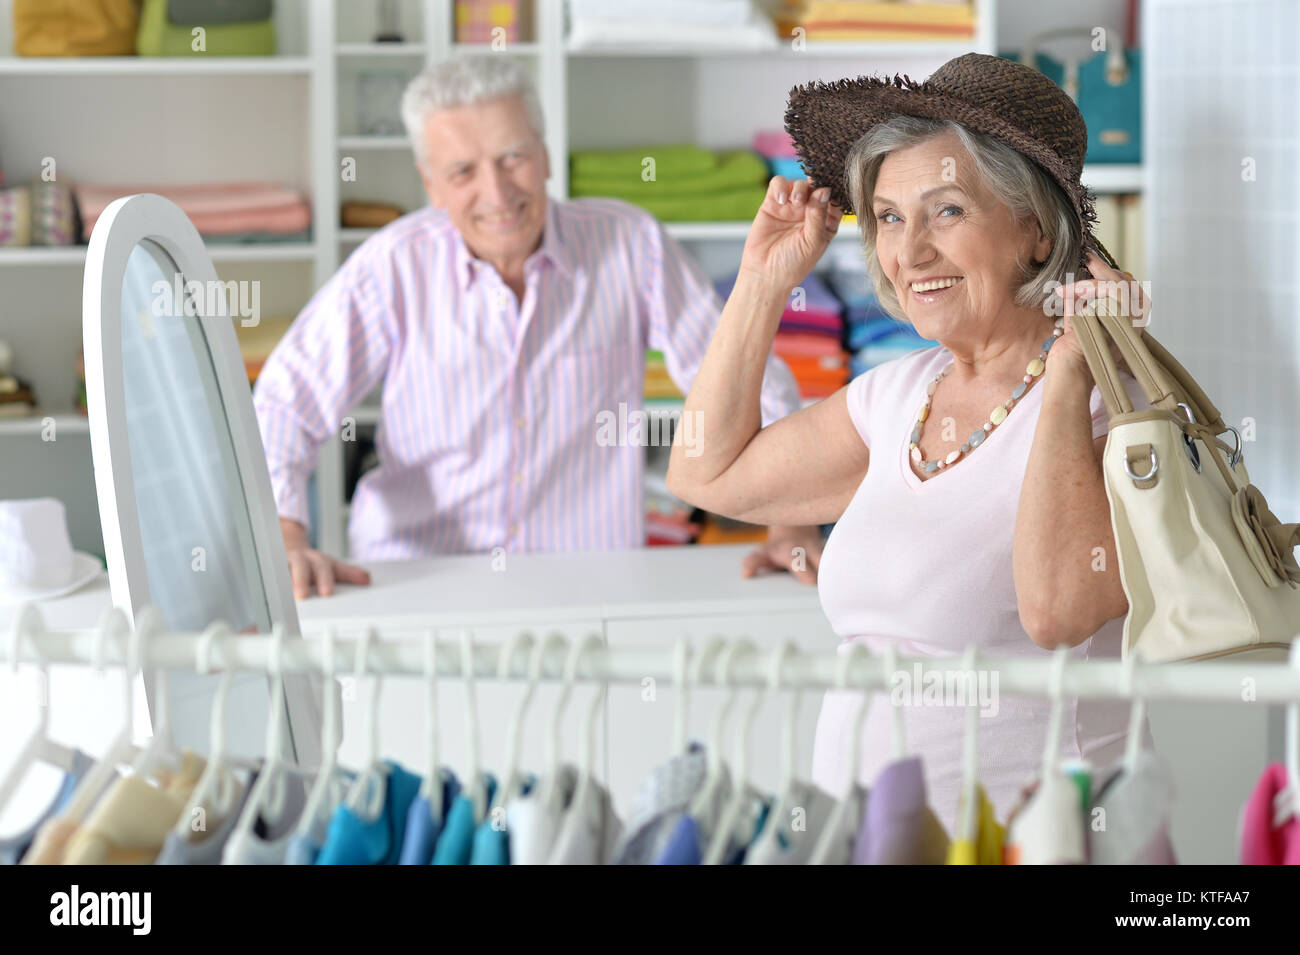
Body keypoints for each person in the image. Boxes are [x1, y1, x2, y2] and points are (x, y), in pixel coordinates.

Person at [666, 52, 1155, 835]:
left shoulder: (1110, 405)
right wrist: (763, 282)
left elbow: (1060, 613)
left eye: (948, 210)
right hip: (875, 835)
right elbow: (704, 470)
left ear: (1035, 229)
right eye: (890, 216)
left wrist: (1069, 373)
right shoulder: (900, 392)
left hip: (1037, 840)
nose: (910, 251)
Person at [253, 55, 824, 597]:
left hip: (586, 588)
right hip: (418, 585)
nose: (497, 192)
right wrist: (285, 535)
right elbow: (284, 402)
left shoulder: (629, 243)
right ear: (430, 183)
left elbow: (741, 367)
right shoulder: (392, 265)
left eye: (512, 158)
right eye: (463, 171)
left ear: (545, 156)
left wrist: (789, 521)